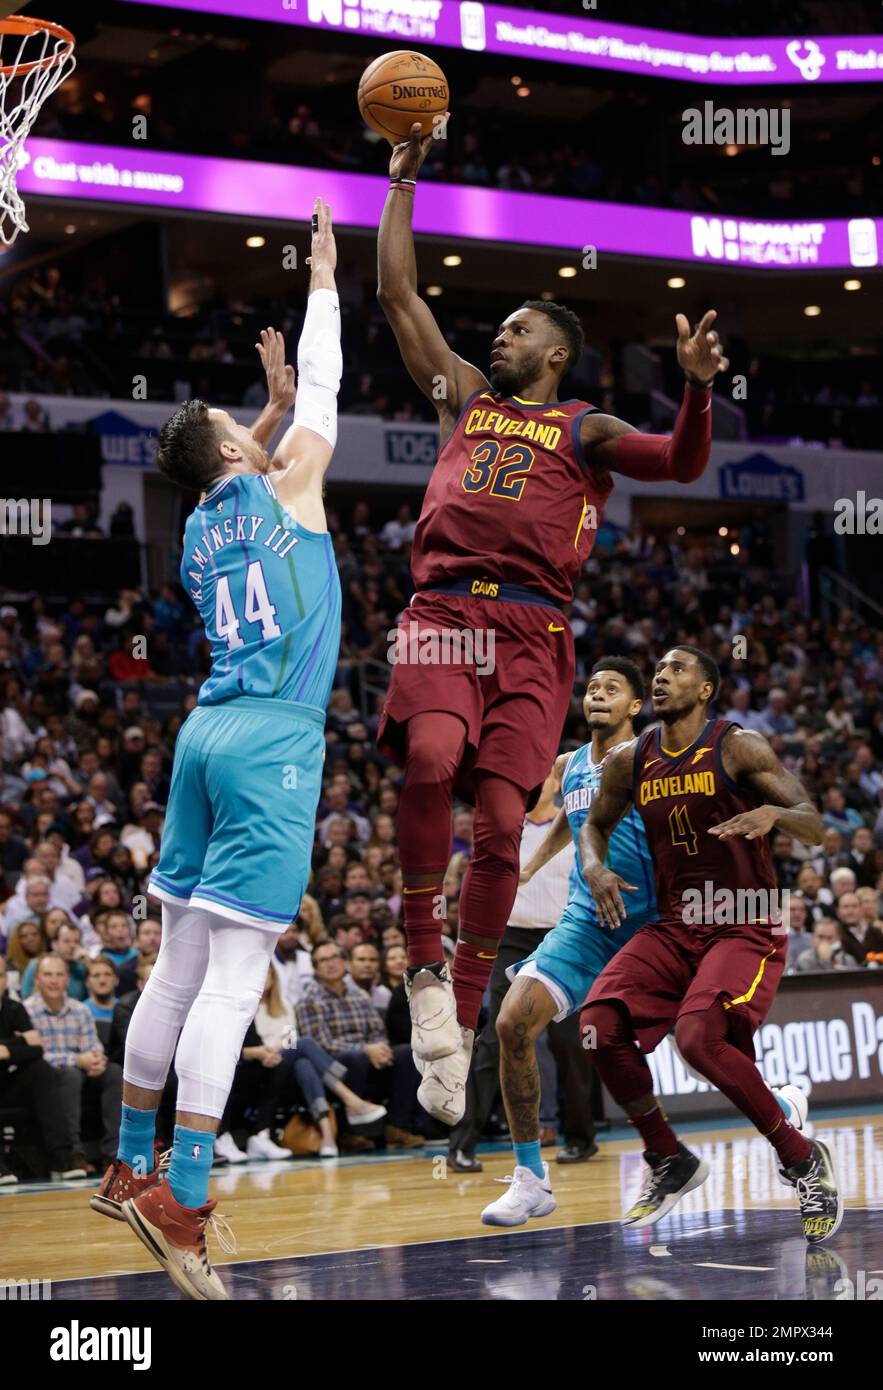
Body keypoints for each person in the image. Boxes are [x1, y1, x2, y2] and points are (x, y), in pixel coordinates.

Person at [375, 121, 729, 1127]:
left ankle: (461, 1020)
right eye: (499, 330)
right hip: (444, 611)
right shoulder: (463, 397)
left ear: (556, 353)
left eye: (518, 330)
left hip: (534, 632)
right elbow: (398, 296)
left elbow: (682, 462)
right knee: (429, 757)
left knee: (500, 824)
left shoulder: (585, 428)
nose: (500, 339)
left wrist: (697, 386)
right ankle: (424, 964)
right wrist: (401, 185)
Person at [89, 200, 344, 1301]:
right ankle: (182, 1199)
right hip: (274, 739)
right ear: (241, 452)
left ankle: (127, 1165)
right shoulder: (290, 490)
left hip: (204, 734)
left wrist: (263, 416)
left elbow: (237, 465)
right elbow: (323, 392)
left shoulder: (196, 527)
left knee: (176, 970)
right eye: (250, 429)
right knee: (235, 982)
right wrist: (323, 282)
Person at [578, 646, 841, 1245]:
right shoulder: (632, 758)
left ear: (705, 690)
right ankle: (668, 1157)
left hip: (745, 920)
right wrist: (593, 866)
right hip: (677, 923)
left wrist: (773, 813)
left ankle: (802, 1159)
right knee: (596, 1024)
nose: (661, 677)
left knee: (698, 1037)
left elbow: (815, 825)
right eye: (658, 670)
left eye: (677, 670)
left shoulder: (738, 746)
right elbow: (593, 825)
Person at [477, 660, 654, 1218]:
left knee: (703, 1043)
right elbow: (573, 819)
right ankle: (531, 1176)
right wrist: (532, 866)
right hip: (585, 922)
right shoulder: (569, 764)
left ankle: (777, 1107)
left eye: (612, 689)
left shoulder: (652, 758)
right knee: (511, 1022)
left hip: (651, 922)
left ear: (635, 706)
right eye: (592, 688)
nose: (597, 695)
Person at [217, 968, 385, 1162]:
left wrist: (276, 1048)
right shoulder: (247, 1007)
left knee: (303, 1063)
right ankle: (349, 1101)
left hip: (284, 1061)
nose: (263, 978)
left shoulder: (285, 1006)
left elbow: (290, 1040)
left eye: (268, 974)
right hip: (259, 1062)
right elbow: (268, 1044)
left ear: (274, 978)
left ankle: (328, 1135)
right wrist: (271, 1050)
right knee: (305, 1045)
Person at [296, 940, 424, 1149]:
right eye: (323, 960)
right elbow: (320, 1045)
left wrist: (380, 1049)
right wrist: (364, 1049)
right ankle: (351, 1133)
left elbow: (377, 1031)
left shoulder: (360, 995)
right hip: (333, 1063)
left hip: (368, 1054)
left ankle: (397, 1127)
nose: (330, 964)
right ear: (315, 968)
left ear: (344, 962)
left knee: (406, 1053)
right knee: (357, 1058)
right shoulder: (309, 999)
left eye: (334, 958)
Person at [26, 953, 123, 1174]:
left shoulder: (80, 1009)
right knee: (70, 1074)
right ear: (37, 979)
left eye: (59, 975)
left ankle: (113, 1151)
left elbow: (94, 1046)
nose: (54, 980)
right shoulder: (27, 1010)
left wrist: (97, 1060)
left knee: (114, 1072)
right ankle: (74, 1152)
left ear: (67, 979)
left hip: (84, 1070)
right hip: (50, 1077)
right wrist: (78, 1060)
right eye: (48, 975)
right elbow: (37, 1056)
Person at [0, 955, 85, 1182]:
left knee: (40, 1069)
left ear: (6, 979)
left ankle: (62, 1159)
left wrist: (6, 1049)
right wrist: (19, 1043)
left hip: (8, 1083)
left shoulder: (14, 1008)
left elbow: (37, 1049)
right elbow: (28, 1044)